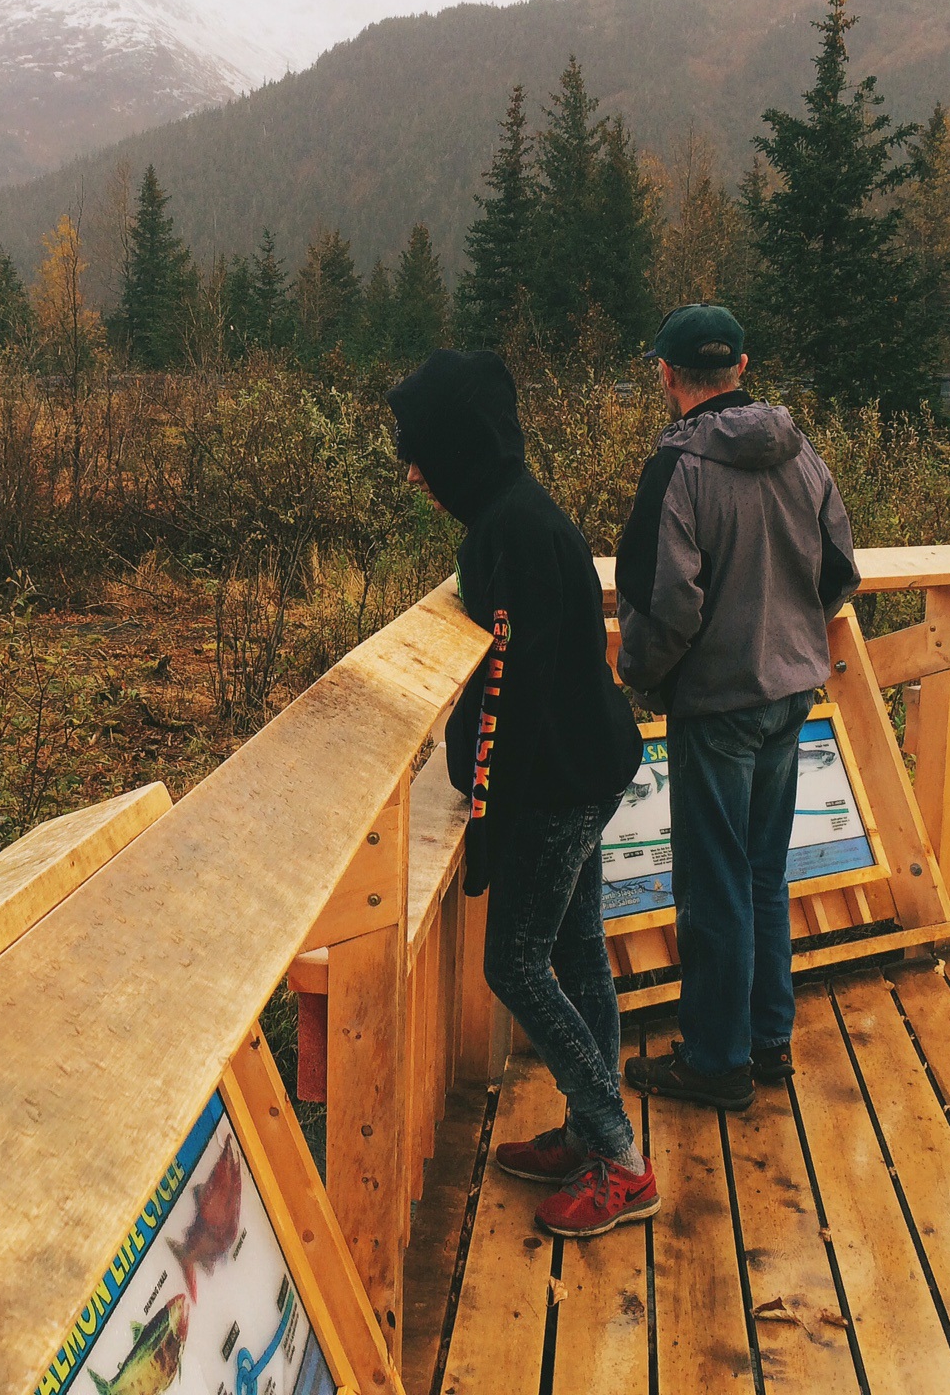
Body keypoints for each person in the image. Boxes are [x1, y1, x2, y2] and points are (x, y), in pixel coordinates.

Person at [387, 348, 654, 1239]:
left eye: (420, 450)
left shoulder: (512, 533)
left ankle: (618, 1158)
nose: (412, 469)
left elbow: (507, 688)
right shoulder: (514, 515)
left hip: (560, 783)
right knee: (578, 956)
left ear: (461, 447)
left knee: (514, 962)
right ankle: (589, 1130)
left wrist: (475, 787)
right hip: (585, 765)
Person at [615, 304, 858, 1111]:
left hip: (717, 705)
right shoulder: (801, 454)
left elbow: (664, 602)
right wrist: (793, 638)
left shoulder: (677, 469)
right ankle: (766, 1042)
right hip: (791, 693)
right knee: (762, 875)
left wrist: (642, 678)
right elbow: (838, 569)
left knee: (713, 885)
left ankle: (716, 1063)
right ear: (743, 369)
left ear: (668, 374)